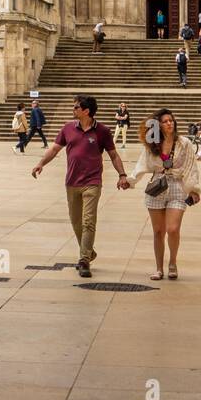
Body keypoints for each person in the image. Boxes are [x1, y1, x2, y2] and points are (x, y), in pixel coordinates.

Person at [31, 95, 130, 277]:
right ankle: (89, 251)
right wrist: (41, 163)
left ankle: (84, 259)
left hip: (92, 182)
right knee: (76, 222)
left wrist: (122, 175)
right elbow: (54, 149)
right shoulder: (68, 128)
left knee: (88, 222)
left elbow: (114, 155)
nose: (73, 109)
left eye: (76, 107)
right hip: (72, 182)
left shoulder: (102, 131)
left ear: (86, 111)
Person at [129, 108, 200, 281]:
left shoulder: (184, 143)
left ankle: (173, 263)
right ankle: (159, 268)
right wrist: (130, 180)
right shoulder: (152, 145)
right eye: (165, 121)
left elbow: (192, 167)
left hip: (177, 187)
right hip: (157, 187)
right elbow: (142, 165)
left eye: (171, 120)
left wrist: (194, 190)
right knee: (158, 231)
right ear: (157, 125)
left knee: (173, 229)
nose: (170, 123)